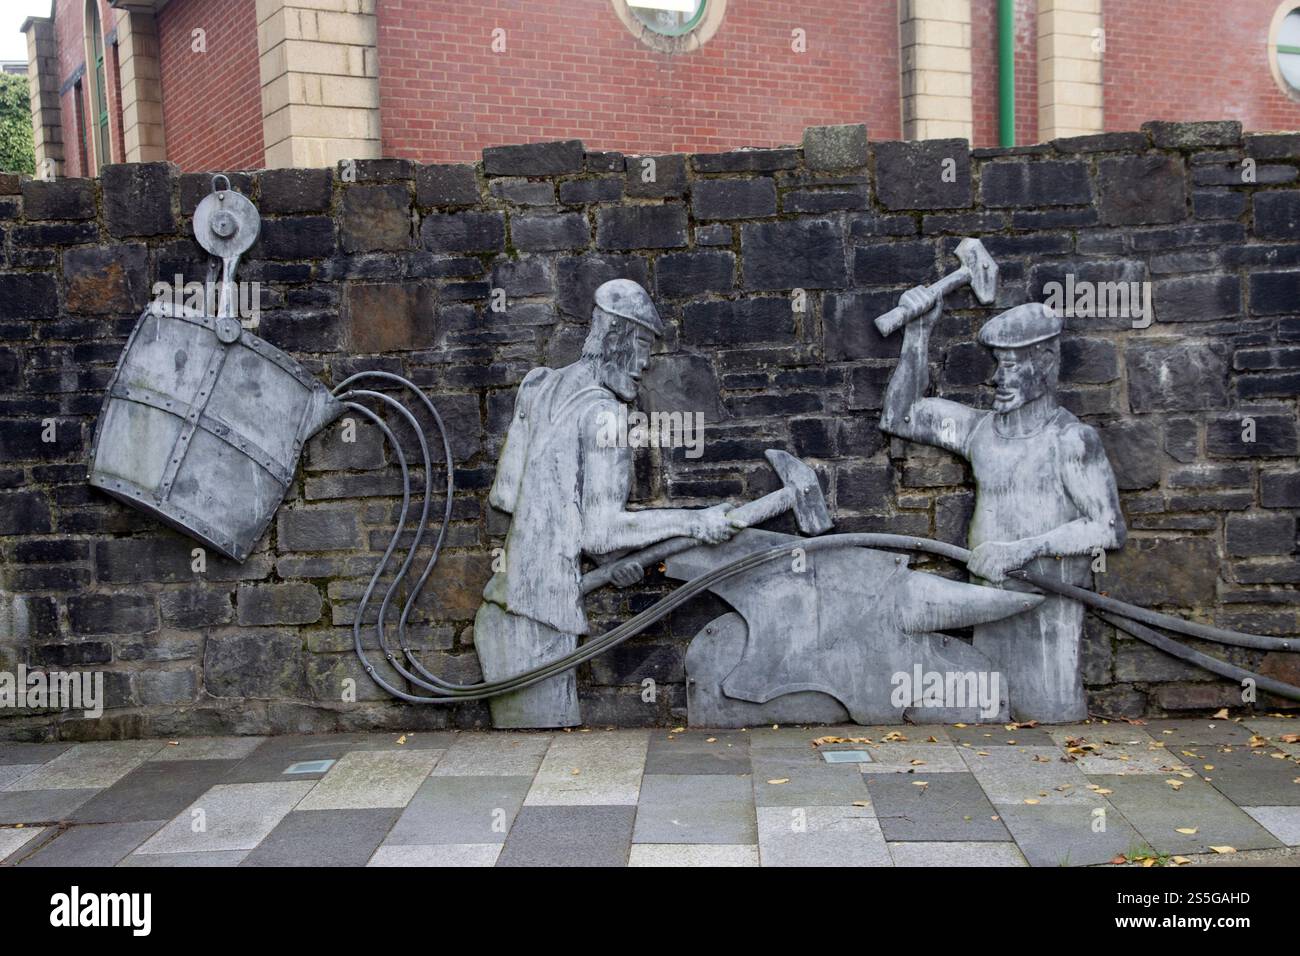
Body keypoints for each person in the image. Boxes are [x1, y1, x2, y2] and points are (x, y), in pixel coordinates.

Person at [474, 279, 742, 728]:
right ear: (615, 337)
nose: (643, 364)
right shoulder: (605, 417)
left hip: (501, 609)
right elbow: (599, 532)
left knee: (532, 755)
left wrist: (611, 561)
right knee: (540, 760)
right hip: (541, 625)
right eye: (639, 345)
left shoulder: (538, 386)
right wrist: (695, 522)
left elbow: (508, 498)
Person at [879, 288, 1126, 722]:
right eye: (997, 365)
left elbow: (1106, 527)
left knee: (1051, 714)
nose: (996, 378)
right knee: (991, 711)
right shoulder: (980, 431)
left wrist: (1022, 549)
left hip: (1047, 600)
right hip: (989, 596)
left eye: (1009, 366)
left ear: (1046, 363)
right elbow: (900, 416)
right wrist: (918, 333)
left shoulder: (1070, 440)